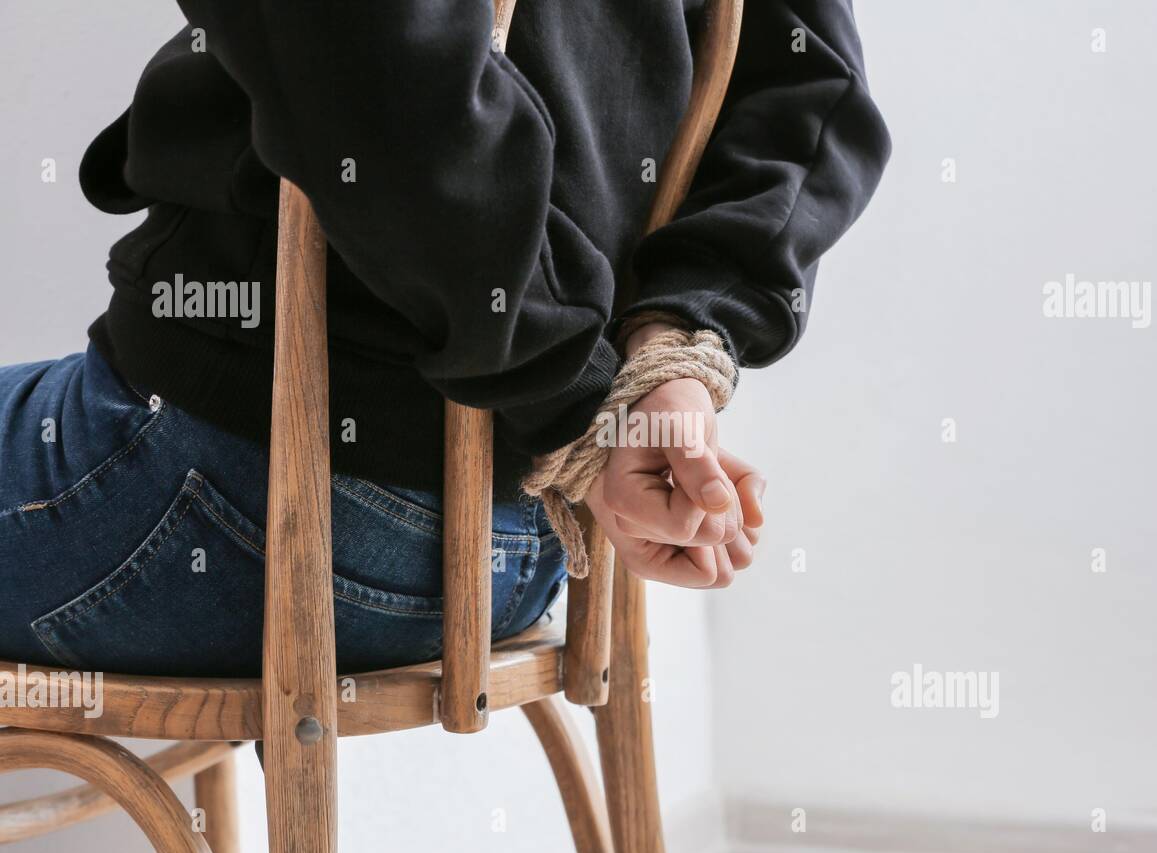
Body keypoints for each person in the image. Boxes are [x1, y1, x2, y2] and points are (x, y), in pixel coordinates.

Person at [0, 0, 890, 677]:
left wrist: (587, 402)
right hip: (544, 543)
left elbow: (376, 69)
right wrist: (665, 355)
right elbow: (811, 85)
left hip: (251, 506)